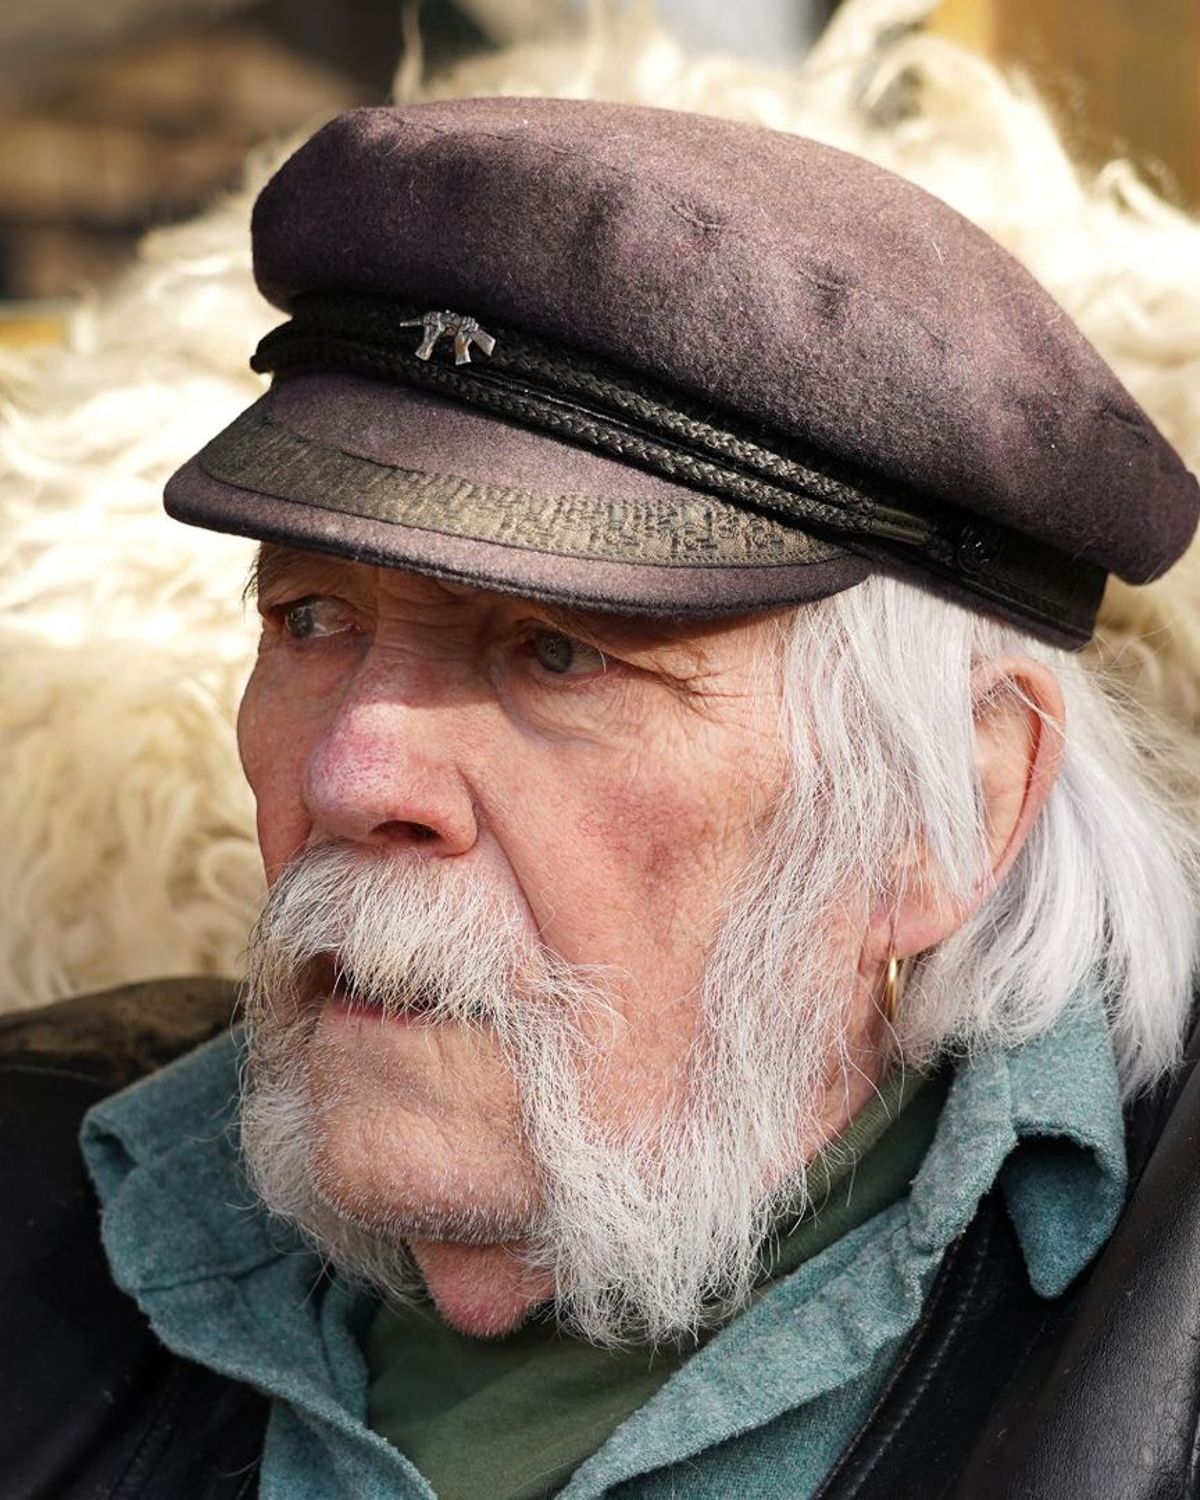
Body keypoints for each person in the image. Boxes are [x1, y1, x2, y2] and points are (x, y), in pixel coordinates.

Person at [3, 94, 1199, 1500]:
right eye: (313, 618)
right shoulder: (25, 1177)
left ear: (951, 816)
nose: (351, 775)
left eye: (558, 652)